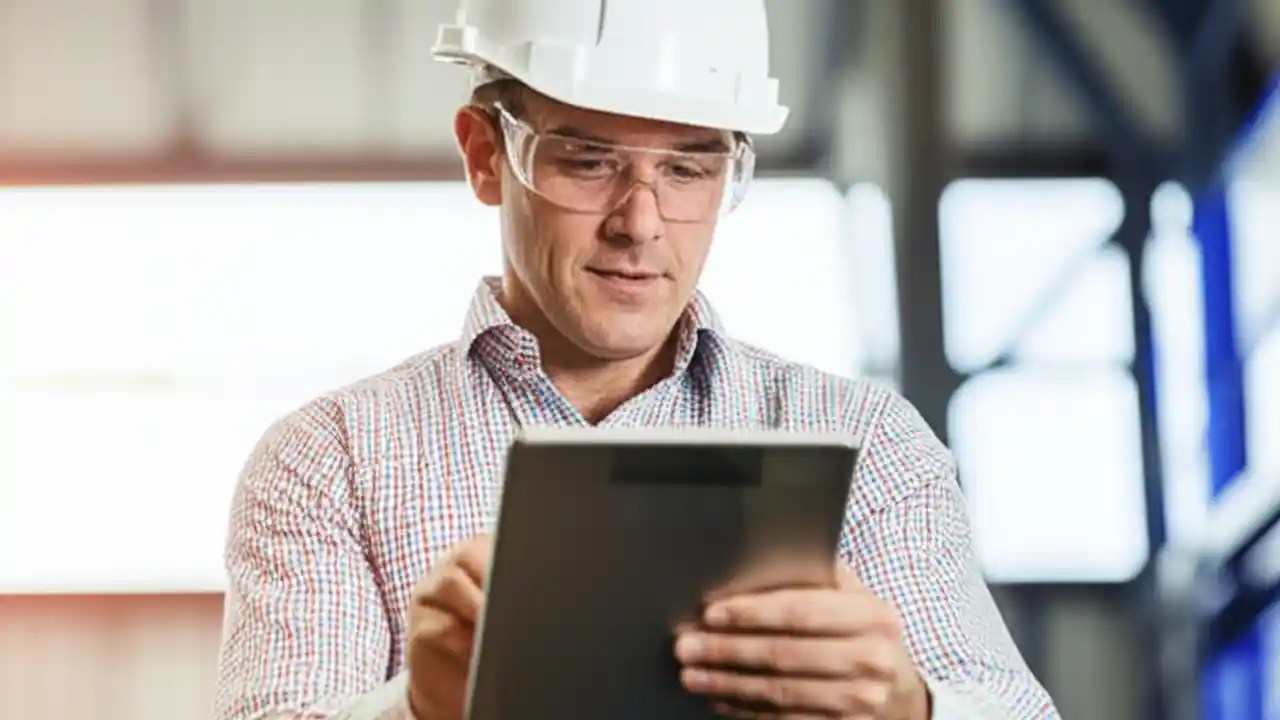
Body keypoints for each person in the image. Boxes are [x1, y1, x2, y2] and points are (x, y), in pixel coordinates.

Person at [214, 1, 1059, 718]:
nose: (642, 222)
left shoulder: (868, 445)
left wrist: (911, 706)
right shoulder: (332, 461)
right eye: (588, 161)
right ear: (483, 154)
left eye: (689, 168)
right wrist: (417, 709)